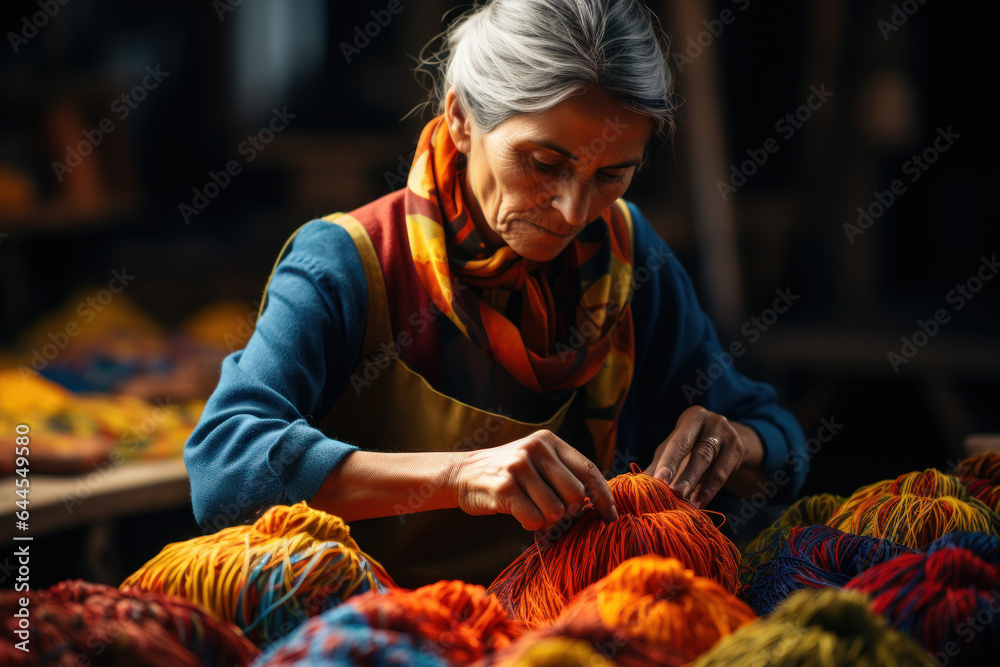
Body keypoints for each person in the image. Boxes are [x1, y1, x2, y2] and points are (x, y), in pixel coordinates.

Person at [184, 0, 808, 587]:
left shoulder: (628, 255)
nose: (572, 210)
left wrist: (735, 443)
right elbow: (225, 467)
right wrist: (458, 475)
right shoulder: (349, 263)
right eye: (544, 162)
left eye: (612, 173)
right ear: (460, 118)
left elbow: (779, 441)